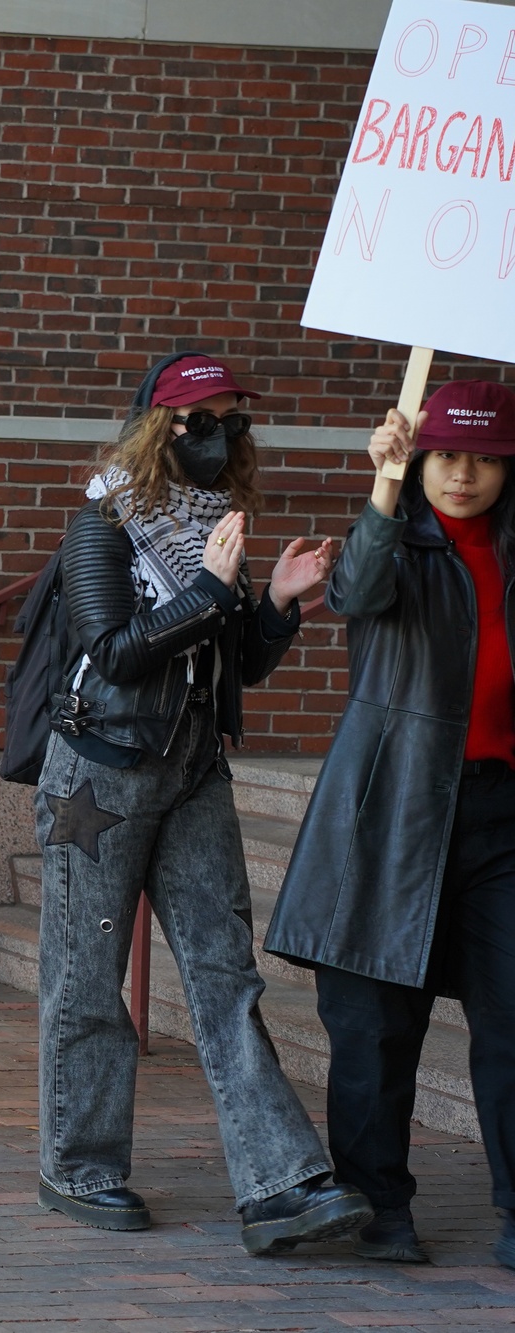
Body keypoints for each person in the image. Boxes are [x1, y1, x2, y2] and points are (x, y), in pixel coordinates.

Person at [31, 351, 369, 1254]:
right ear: (158, 427)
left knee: (227, 977)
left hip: (189, 774)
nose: (220, 436)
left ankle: (280, 1184)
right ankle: (80, 1165)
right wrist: (213, 590)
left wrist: (279, 607)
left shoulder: (216, 522)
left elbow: (234, 665)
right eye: (200, 420)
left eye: (232, 419)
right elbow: (115, 653)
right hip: (98, 778)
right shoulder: (101, 528)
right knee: (87, 980)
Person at [267, 379, 515, 1268]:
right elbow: (356, 592)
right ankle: (379, 1206)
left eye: (486, 458)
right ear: (421, 462)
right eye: (448, 455)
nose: (465, 475)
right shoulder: (393, 542)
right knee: (374, 1022)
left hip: (499, 816)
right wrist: (382, 484)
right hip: (391, 812)